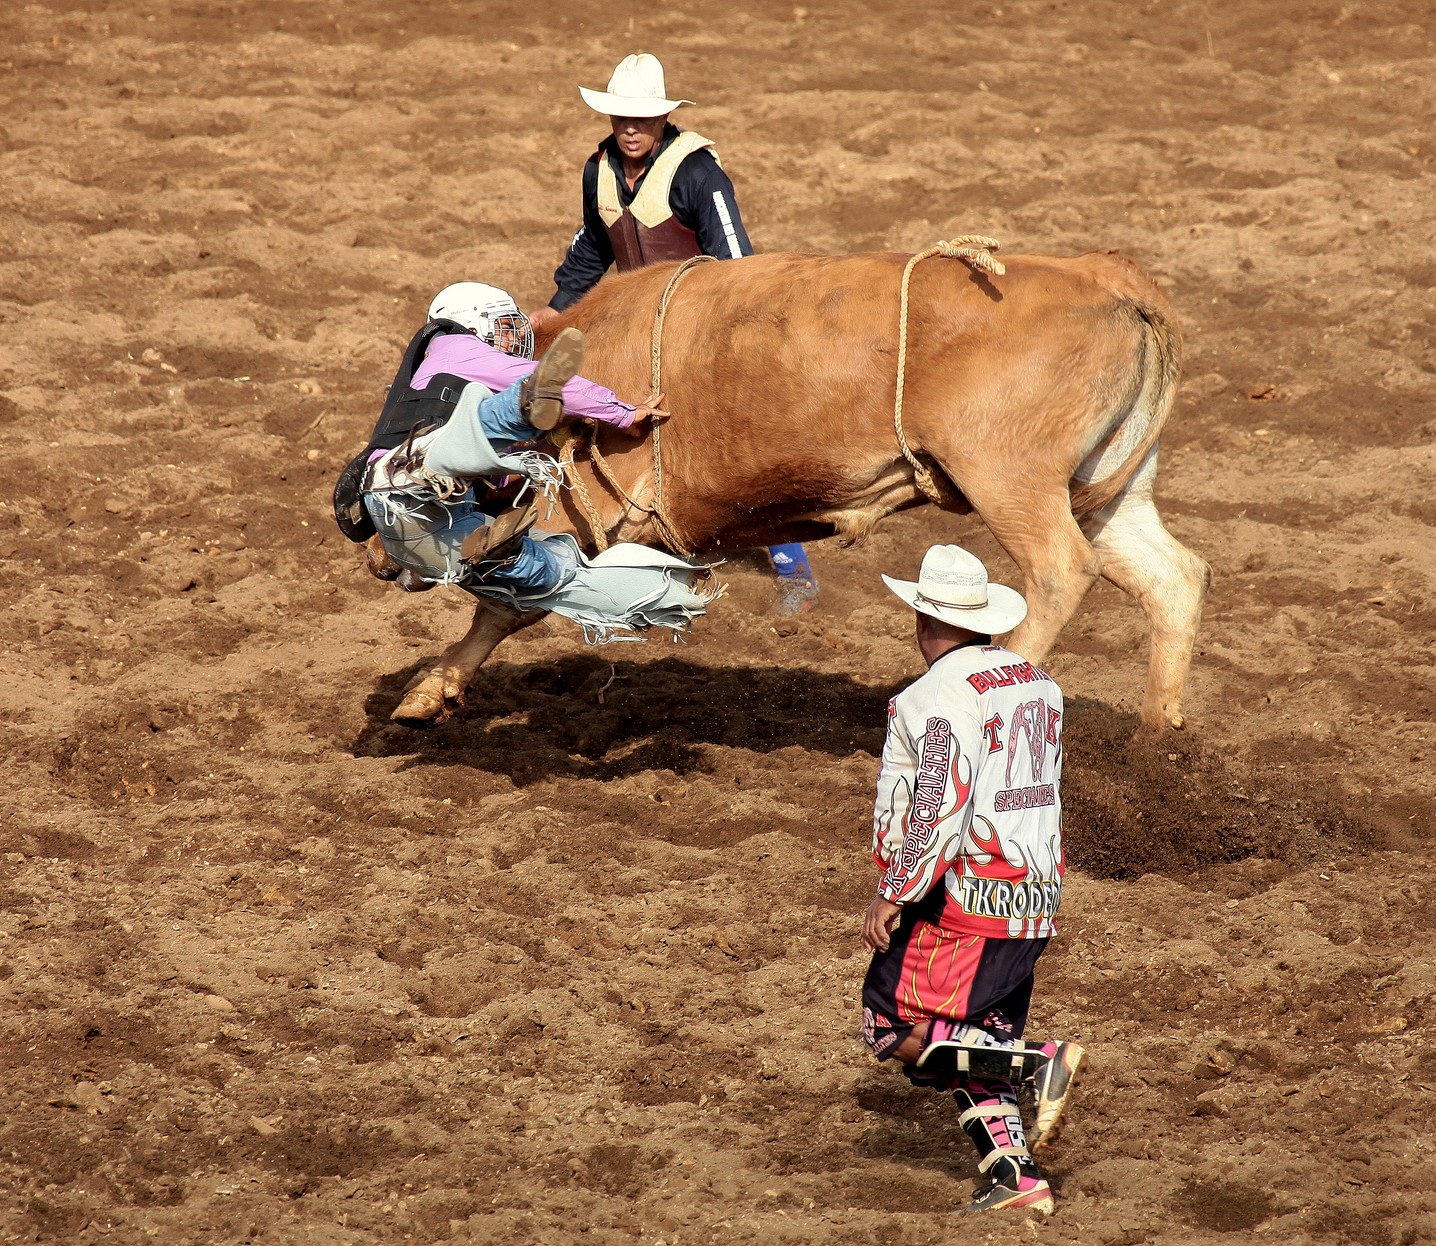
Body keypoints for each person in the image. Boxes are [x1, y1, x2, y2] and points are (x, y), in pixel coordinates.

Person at [526, 52, 818, 616]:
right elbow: (593, 245)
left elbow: (738, 264)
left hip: (699, 327)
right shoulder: (599, 170)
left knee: (737, 443)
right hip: (635, 328)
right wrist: (557, 308)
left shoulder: (698, 173)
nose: (630, 129)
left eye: (642, 119)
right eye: (621, 119)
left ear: (662, 119)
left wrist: (736, 340)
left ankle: (793, 569)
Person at [860, 544, 1086, 1215]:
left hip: (964, 900)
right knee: (967, 1041)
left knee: (889, 1021)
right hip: (1036, 896)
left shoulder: (930, 698)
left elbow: (938, 806)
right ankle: (1016, 1180)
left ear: (924, 621)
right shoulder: (1037, 682)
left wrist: (895, 890)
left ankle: (1036, 1061)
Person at [331, 281, 717, 641]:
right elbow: (549, 390)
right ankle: (524, 403)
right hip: (407, 474)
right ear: (470, 324)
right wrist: (622, 413)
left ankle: (669, 597)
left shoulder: (421, 376)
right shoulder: (453, 346)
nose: (514, 338)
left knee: (555, 576)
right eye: (503, 326)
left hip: (435, 528)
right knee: (481, 427)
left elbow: (488, 473)